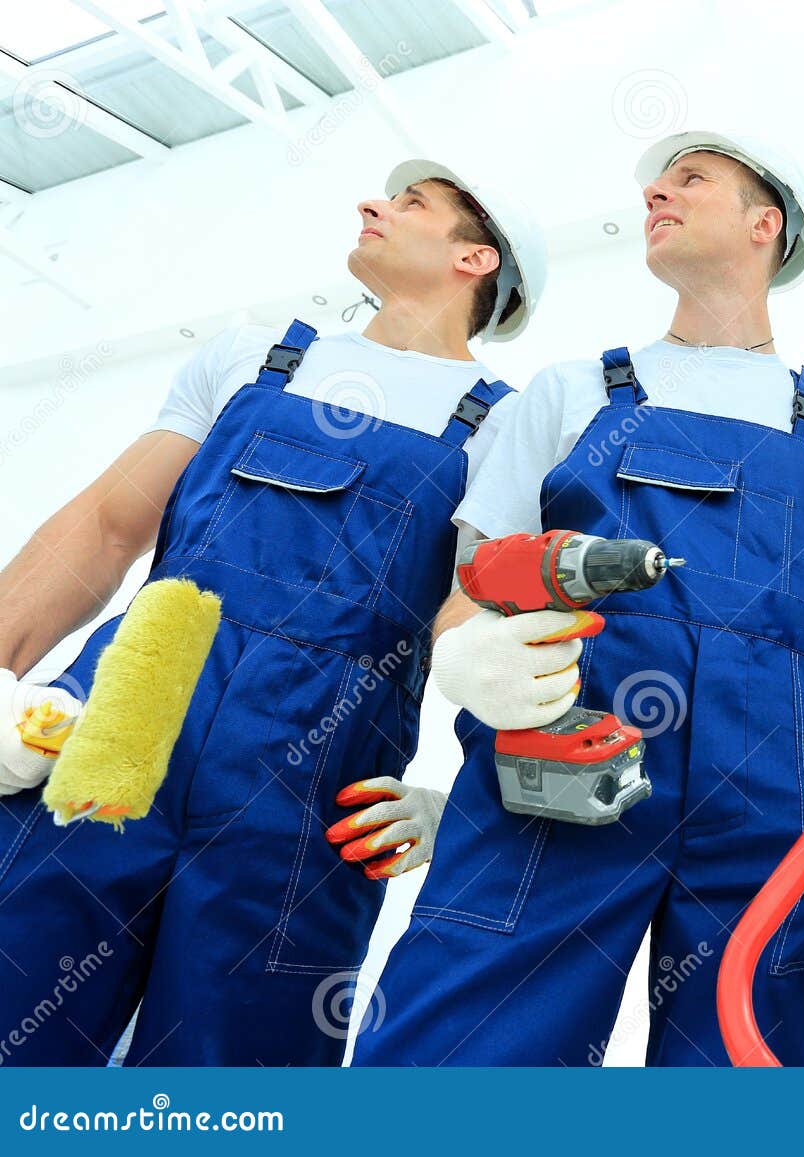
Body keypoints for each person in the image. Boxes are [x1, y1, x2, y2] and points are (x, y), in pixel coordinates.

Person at [355, 131, 804, 1066]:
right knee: (458, 1046)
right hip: (564, 771)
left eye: (690, 178)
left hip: (785, 807)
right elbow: (474, 586)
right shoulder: (568, 391)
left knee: (756, 1063)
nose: (656, 191)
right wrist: (467, 659)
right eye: (657, 181)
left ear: (762, 224)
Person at [0, 160, 542, 1065]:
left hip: (314, 778)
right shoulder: (251, 357)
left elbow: (480, 634)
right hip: (126, 711)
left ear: (477, 257)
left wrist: (467, 806)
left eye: (411, 203)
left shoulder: (503, 427)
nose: (373, 203)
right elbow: (102, 527)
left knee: (233, 1078)